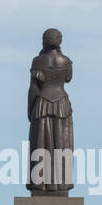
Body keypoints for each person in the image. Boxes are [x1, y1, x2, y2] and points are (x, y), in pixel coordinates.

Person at [26, 28, 74, 194]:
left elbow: (33, 88)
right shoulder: (66, 62)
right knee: (62, 144)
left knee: (40, 143)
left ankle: (40, 184)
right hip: (62, 105)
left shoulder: (37, 61)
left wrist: (29, 110)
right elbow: (68, 78)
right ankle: (61, 185)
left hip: (42, 105)